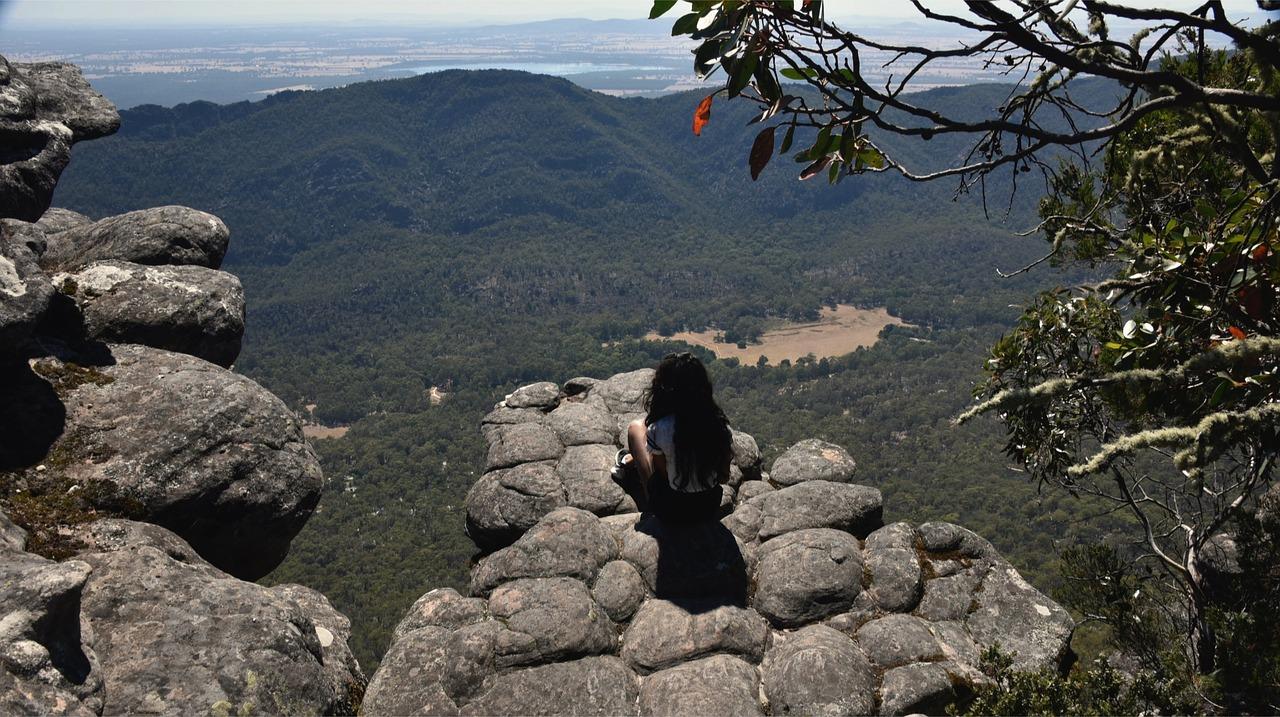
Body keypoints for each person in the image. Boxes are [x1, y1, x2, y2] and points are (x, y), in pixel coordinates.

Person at [614, 352, 733, 522]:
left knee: (636, 428)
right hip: (708, 507)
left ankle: (639, 479)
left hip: (670, 512)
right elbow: (724, 476)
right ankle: (633, 459)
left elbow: (660, 475)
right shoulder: (720, 427)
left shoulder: (660, 428)